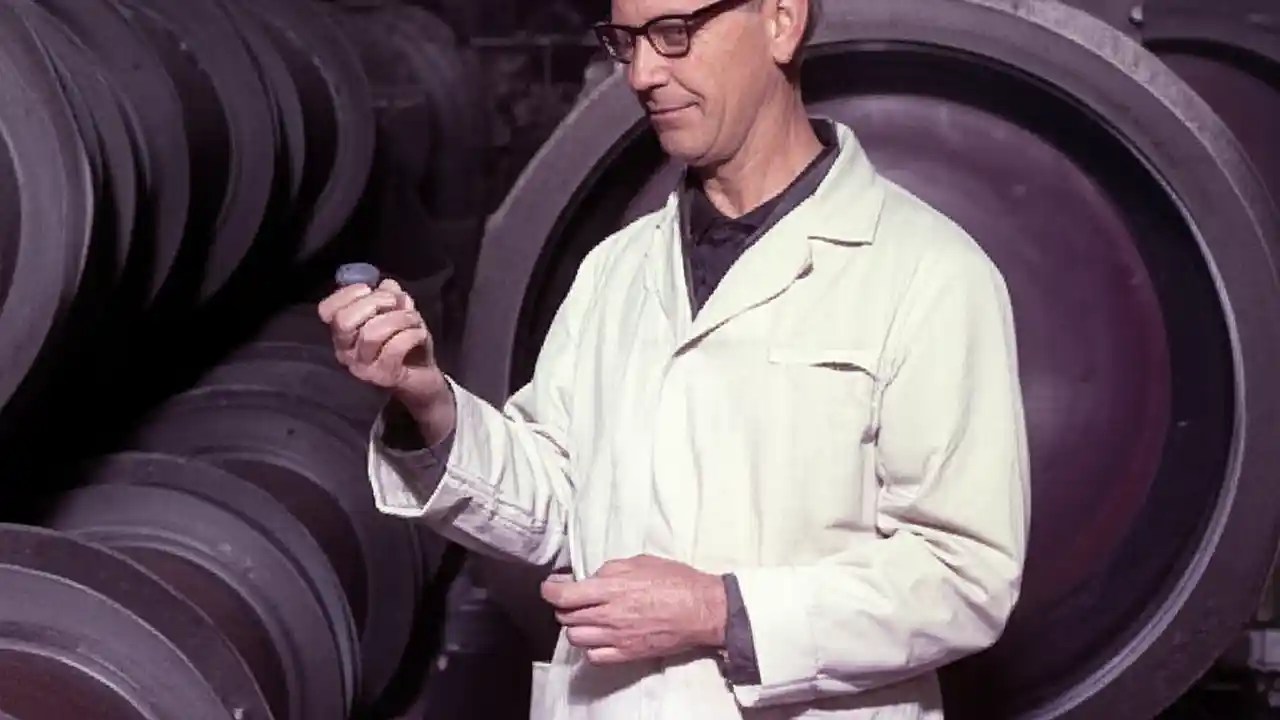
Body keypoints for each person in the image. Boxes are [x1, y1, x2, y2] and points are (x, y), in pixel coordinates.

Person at [317, 0, 1031, 717]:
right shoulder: (617, 269)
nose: (642, 74)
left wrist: (718, 612)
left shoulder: (928, 273)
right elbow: (561, 503)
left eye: (673, 33)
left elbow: (964, 577)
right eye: (626, 41)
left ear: (781, 20)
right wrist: (429, 401)